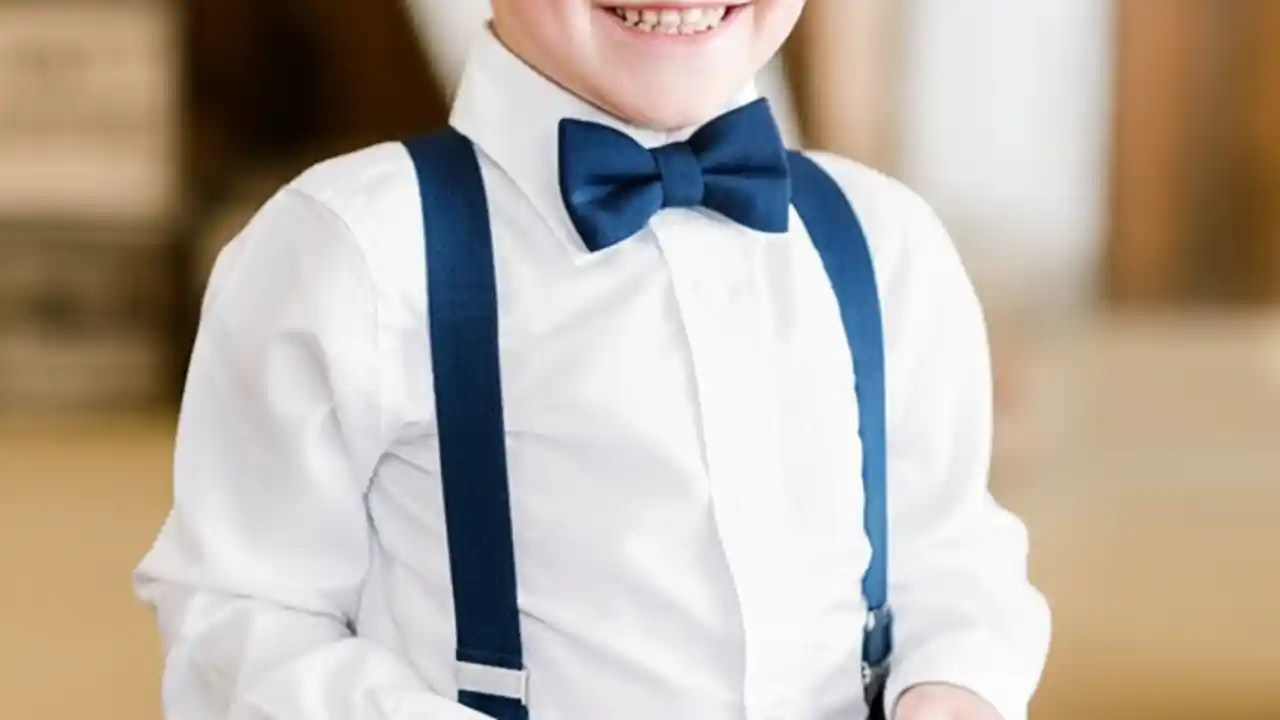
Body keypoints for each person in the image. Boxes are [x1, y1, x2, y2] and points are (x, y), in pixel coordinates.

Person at [134, 2, 1051, 719]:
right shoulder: (352, 252)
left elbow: (946, 545)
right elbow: (244, 619)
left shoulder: (883, 239)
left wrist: (956, 684)